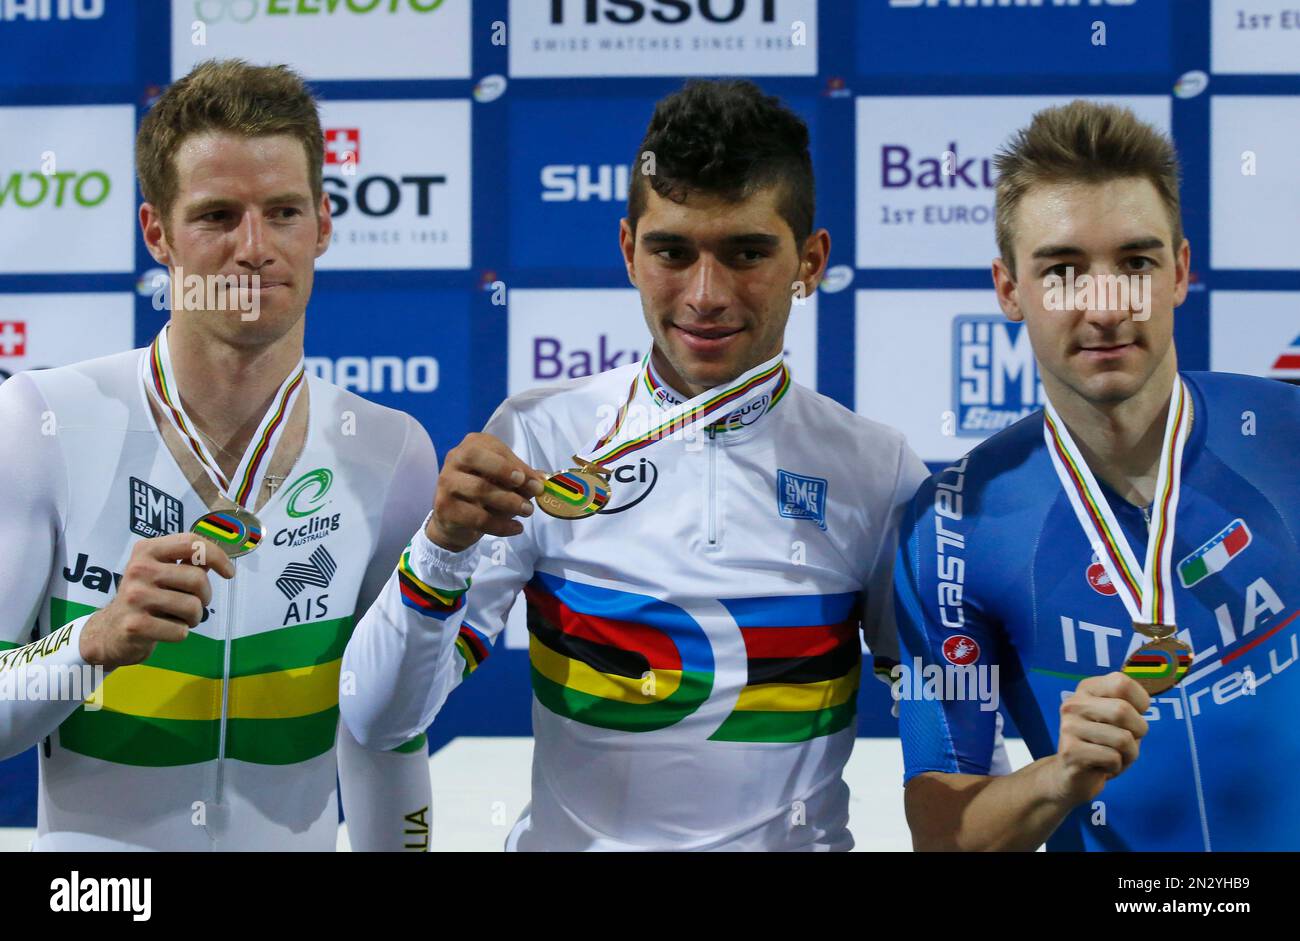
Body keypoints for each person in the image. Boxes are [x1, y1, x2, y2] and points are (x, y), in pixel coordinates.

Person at [342, 80, 936, 851]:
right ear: (629, 250)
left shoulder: (877, 469)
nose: (706, 294)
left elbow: (954, 717)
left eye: (747, 252)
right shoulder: (539, 437)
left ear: (810, 261)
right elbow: (379, 715)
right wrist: (440, 550)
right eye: (673, 251)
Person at [0, 59, 434, 851]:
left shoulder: (392, 453)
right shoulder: (40, 422)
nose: (254, 249)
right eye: (218, 216)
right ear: (157, 233)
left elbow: (385, 732)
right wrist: (90, 640)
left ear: (324, 225)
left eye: (283, 212)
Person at [894, 100, 1300, 851]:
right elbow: (941, 834)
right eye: (1064, 270)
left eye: (1135, 264)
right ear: (1009, 290)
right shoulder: (950, 525)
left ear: (1179, 272)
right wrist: (1058, 775)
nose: (1106, 306)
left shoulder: (1286, 433)